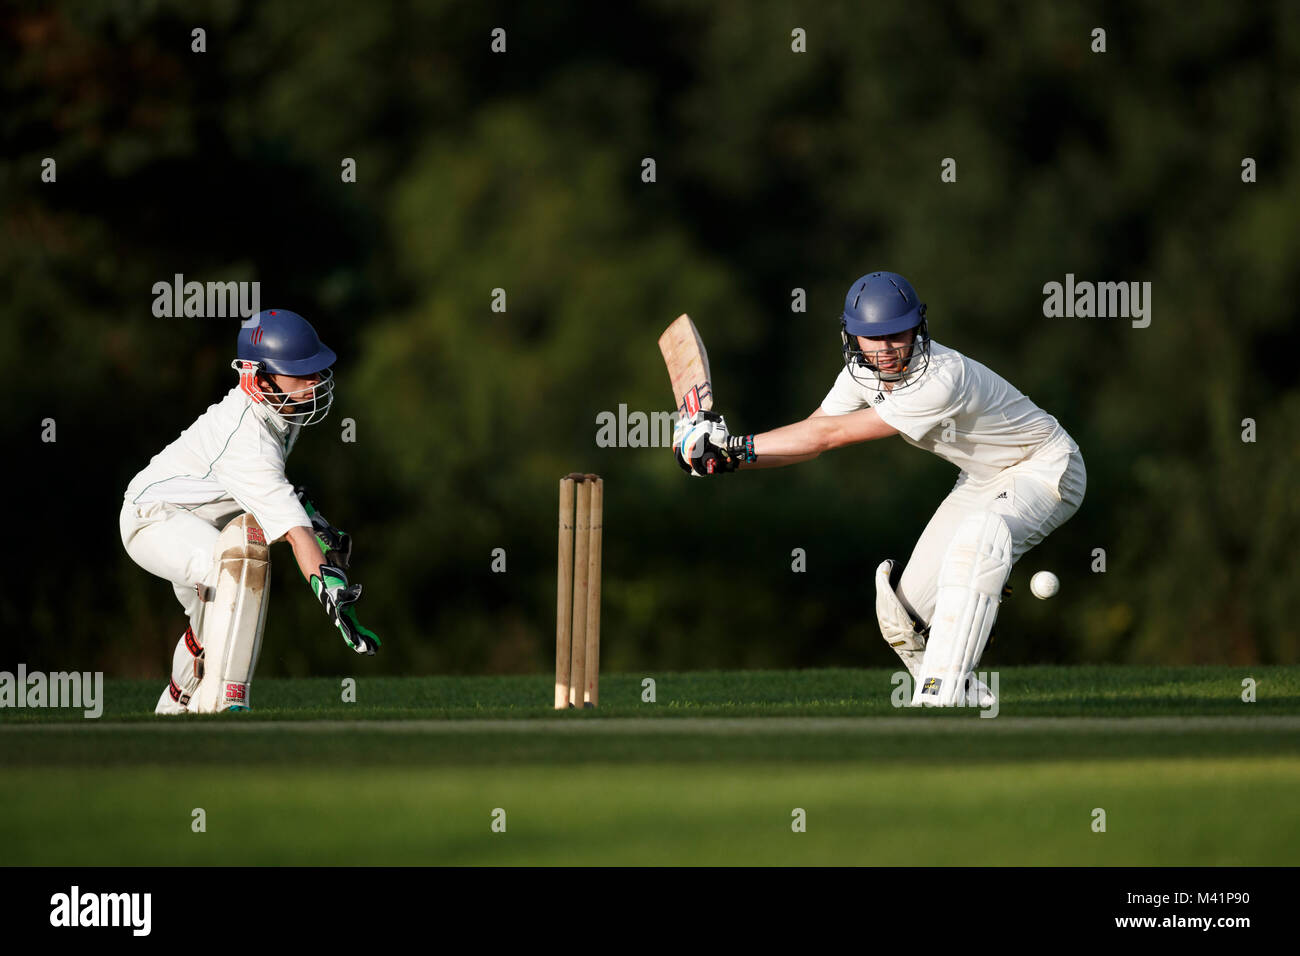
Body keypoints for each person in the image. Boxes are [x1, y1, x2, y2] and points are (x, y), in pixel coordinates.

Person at [673, 272, 1085, 706]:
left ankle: (938, 696)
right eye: (872, 338)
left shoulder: (942, 377)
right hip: (982, 479)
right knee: (902, 617)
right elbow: (812, 432)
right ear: (852, 336)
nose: (886, 349)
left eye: (896, 334)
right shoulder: (860, 374)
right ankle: (964, 700)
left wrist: (737, 443)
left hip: (1046, 467)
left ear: (918, 327)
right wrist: (729, 459)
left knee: (980, 537)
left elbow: (828, 438)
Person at [119, 309, 379, 715]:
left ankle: (172, 707)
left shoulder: (281, 412)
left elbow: (273, 493)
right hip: (154, 519)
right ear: (257, 379)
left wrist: (311, 516)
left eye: (314, 372)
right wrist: (332, 594)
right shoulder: (249, 439)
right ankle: (227, 704)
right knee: (243, 562)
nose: (314, 383)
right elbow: (295, 535)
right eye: (300, 374)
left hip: (193, 519)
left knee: (213, 621)